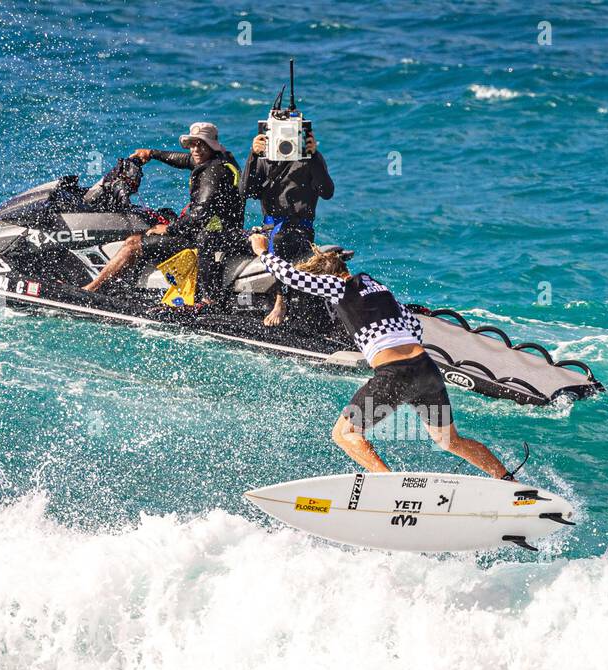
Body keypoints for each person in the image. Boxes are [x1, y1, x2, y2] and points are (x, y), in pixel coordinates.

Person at [249, 233, 510, 478]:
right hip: (426, 370)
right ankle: (508, 481)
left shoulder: (339, 286)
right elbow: (415, 326)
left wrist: (262, 252)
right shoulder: (380, 289)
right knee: (451, 441)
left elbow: (290, 276)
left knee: (344, 433)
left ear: (329, 277)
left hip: (394, 374)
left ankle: (388, 484)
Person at [84, 122, 243, 302]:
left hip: (206, 238)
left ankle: (91, 290)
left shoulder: (212, 173)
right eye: (192, 144)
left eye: (201, 144)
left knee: (133, 244)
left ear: (211, 145)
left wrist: (169, 229)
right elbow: (184, 160)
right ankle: (128, 288)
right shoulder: (220, 160)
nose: (195, 149)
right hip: (215, 232)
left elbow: (199, 214)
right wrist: (152, 154)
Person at [242, 128, 334, 326]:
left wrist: (313, 156)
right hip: (266, 228)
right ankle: (211, 299)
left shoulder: (309, 159)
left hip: (298, 230)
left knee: (279, 240)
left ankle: (280, 301)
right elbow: (246, 190)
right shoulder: (264, 158)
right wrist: (253, 155)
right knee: (218, 238)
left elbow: (326, 192)